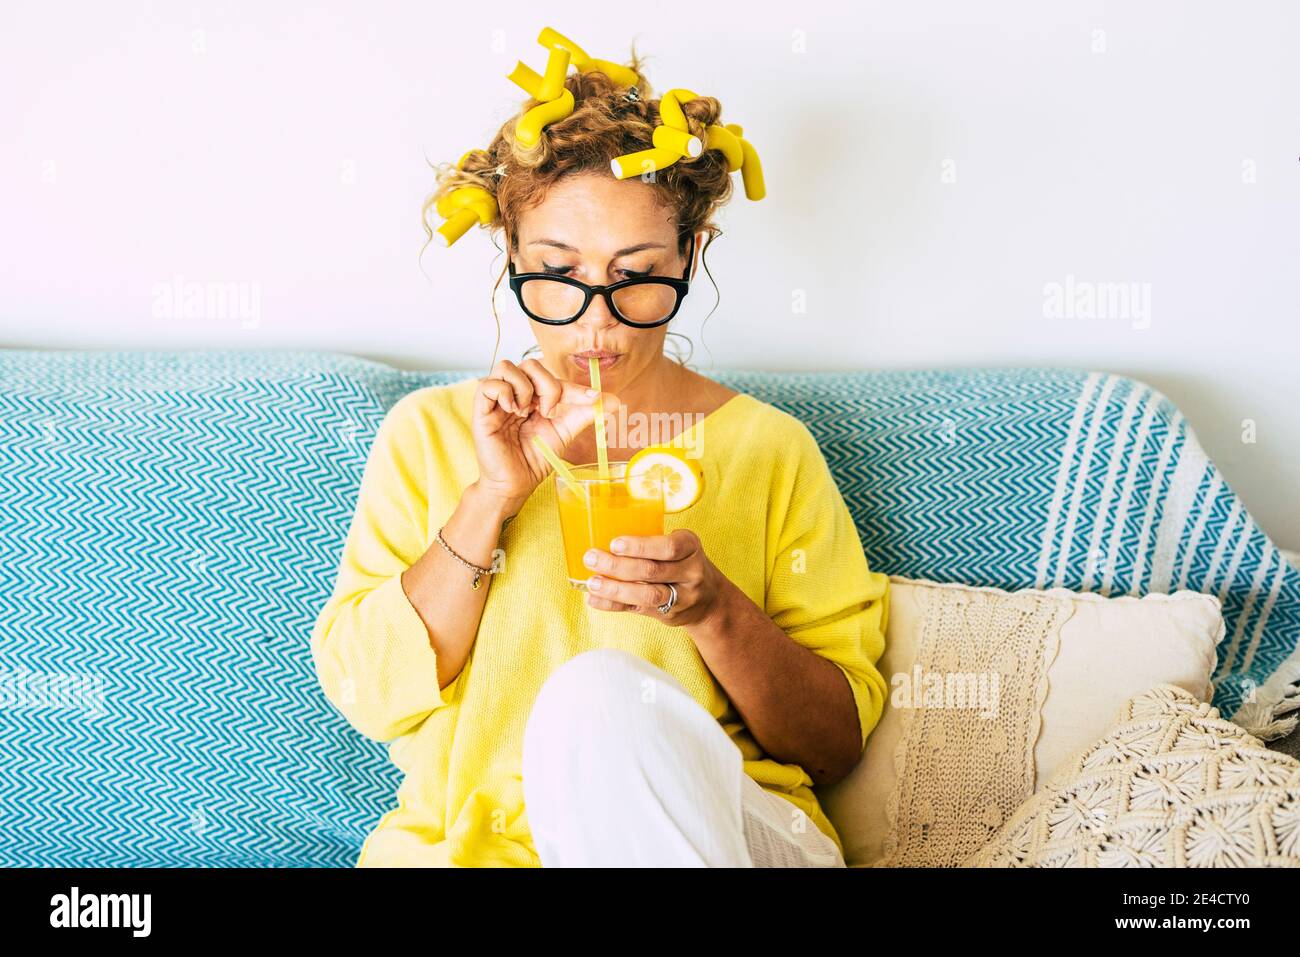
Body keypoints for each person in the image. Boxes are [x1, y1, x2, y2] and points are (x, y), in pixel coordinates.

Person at [309, 34, 890, 867]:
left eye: (637, 273)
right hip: (480, 847)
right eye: (558, 271)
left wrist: (714, 611)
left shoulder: (769, 450)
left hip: (727, 834)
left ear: (689, 255)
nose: (597, 320)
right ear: (511, 254)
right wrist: (491, 499)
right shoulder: (429, 434)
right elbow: (368, 692)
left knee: (598, 696)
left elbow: (834, 745)